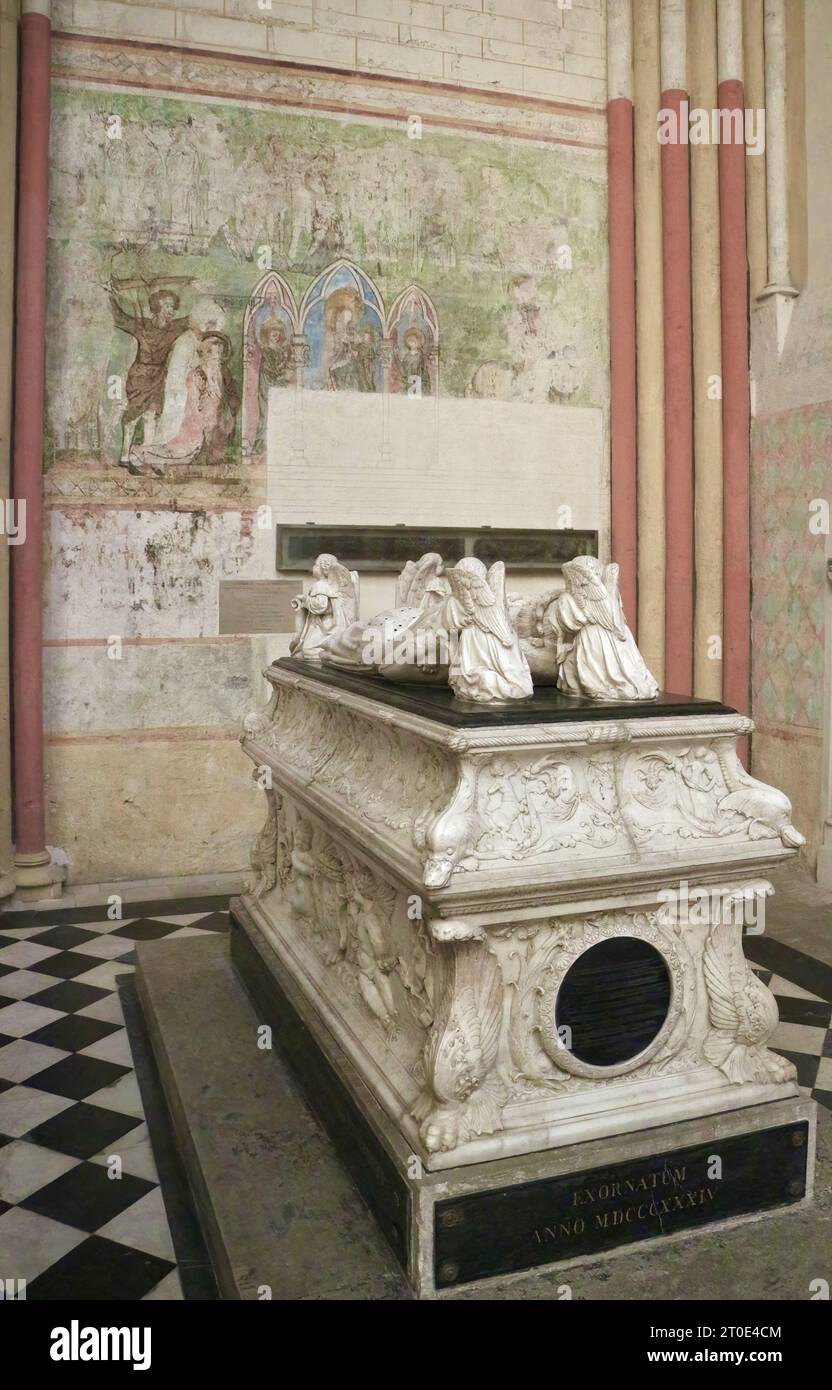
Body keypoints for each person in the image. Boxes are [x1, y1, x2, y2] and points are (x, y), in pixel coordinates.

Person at [109, 286, 190, 465]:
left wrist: (202, 295)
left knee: (151, 415)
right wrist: (111, 295)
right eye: (166, 305)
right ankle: (124, 455)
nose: (170, 310)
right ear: (156, 306)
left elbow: (193, 320)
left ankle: (146, 455)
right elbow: (120, 318)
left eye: (172, 307)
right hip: (140, 375)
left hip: (159, 375)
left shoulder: (174, 328)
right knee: (134, 415)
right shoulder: (142, 325)